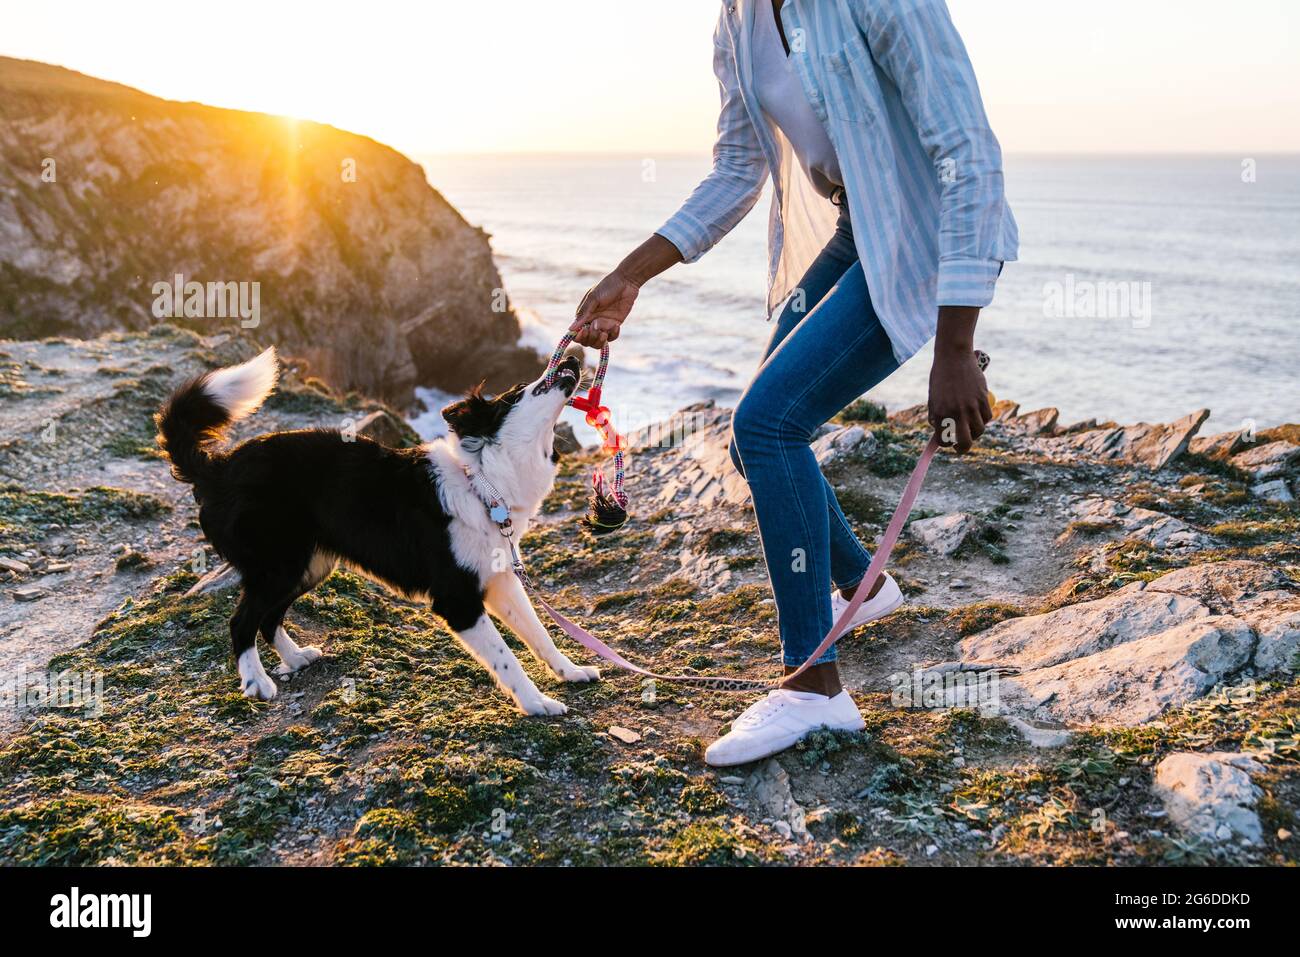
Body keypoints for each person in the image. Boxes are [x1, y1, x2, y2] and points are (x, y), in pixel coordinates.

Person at [569, 0, 1018, 766]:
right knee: (762, 436)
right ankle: (864, 587)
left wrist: (956, 345)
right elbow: (737, 170)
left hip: (922, 234)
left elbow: (967, 152)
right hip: (856, 228)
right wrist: (630, 275)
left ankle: (815, 688)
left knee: (766, 425)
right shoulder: (737, 19)